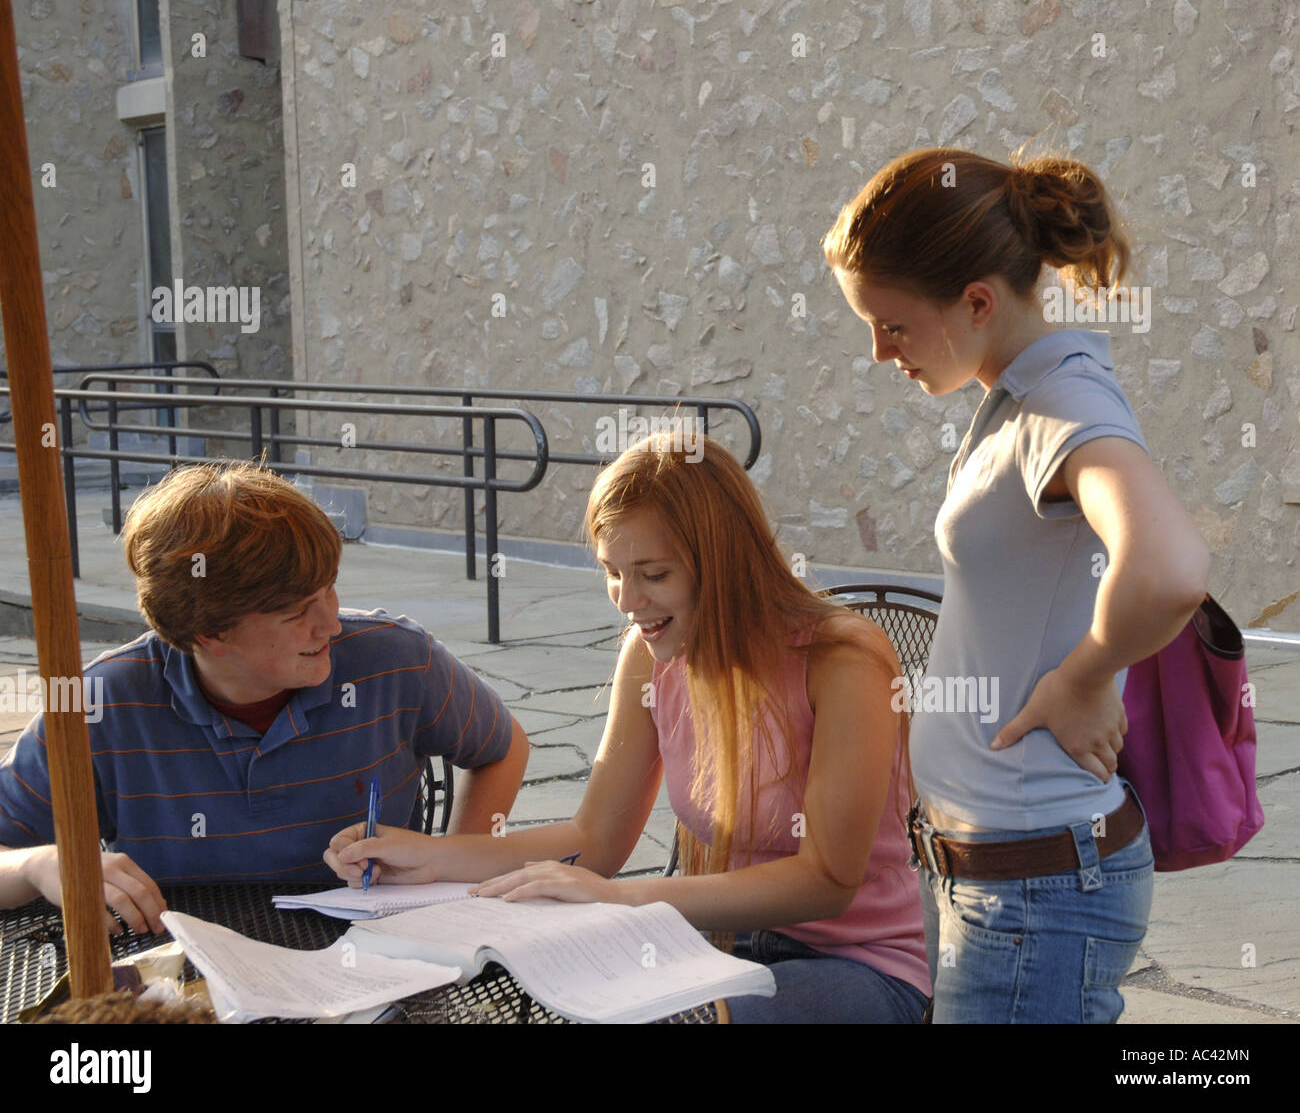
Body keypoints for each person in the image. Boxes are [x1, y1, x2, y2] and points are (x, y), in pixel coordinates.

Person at [326, 434, 931, 1024]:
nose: (625, 599)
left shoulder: (844, 660)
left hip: (857, 967)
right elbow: (596, 840)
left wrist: (622, 901)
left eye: (653, 573)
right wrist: (432, 860)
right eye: (612, 571)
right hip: (706, 949)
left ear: (724, 563)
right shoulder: (651, 656)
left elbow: (827, 881)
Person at [824, 146, 1211, 1023]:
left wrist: (1083, 677)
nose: (880, 352)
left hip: (1036, 894)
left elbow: (1172, 568)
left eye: (892, 325)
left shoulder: (1062, 406)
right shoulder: (1020, 397)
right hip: (1005, 880)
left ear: (976, 301)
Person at [0, 461, 528, 936]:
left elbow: (502, 747)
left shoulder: (396, 660)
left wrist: (454, 864)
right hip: (183, 975)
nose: (329, 622)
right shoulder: (98, 702)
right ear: (210, 634)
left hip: (375, 953)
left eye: (329, 589)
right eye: (297, 612)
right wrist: (40, 865)